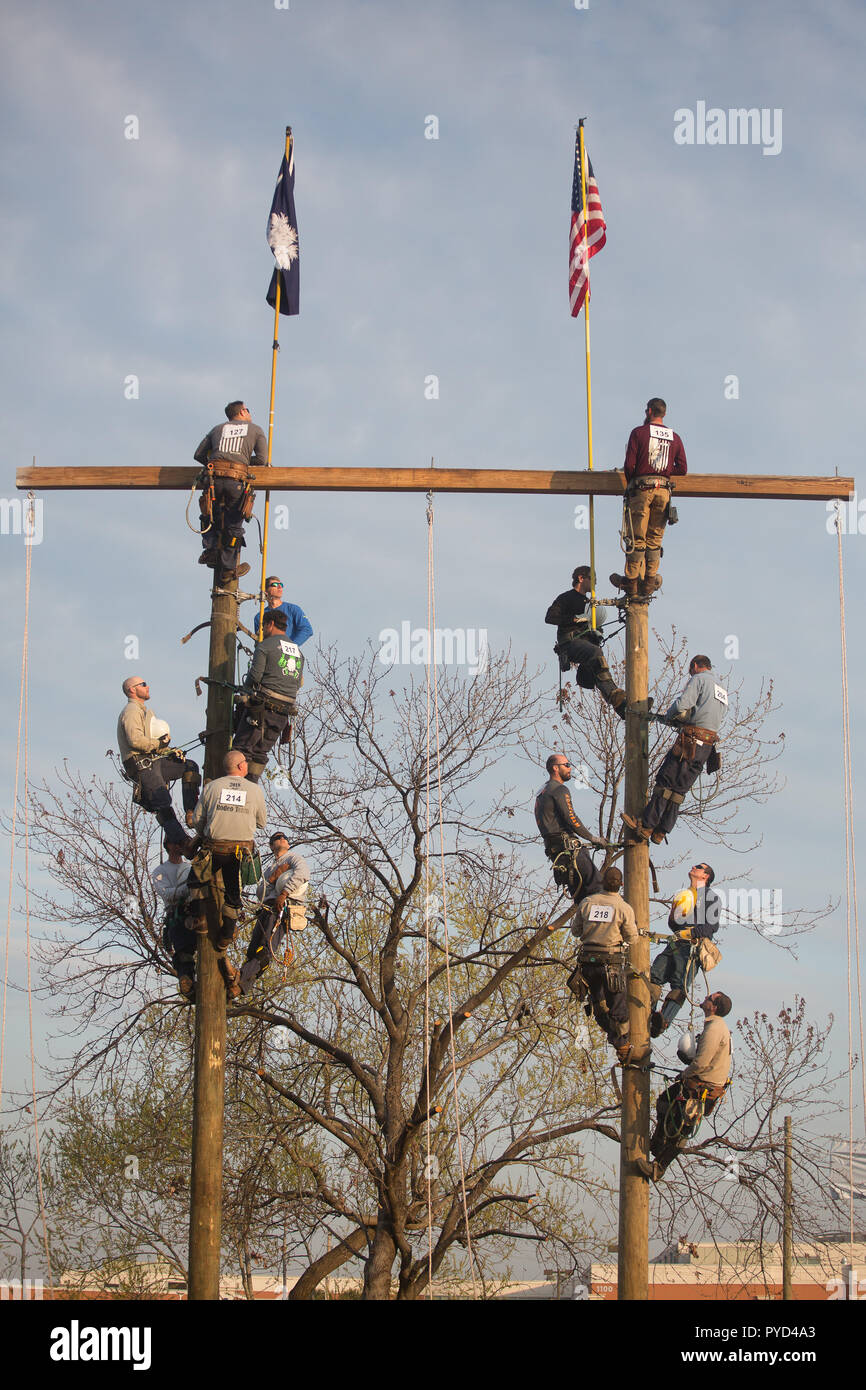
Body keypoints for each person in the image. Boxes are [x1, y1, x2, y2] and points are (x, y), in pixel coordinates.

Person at [622, 655, 727, 844]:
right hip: (707, 747)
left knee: (666, 782)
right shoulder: (721, 688)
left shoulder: (699, 679)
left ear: (695, 666)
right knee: (679, 790)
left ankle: (646, 826)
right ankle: (661, 832)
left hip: (690, 742)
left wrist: (671, 717)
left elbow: (681, 705)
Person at [187, 750, 267, 995]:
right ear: (241, 766)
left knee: (196, 881)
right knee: (233, 892)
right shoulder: (254, 790)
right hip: (240, 852)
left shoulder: (213, 788)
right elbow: (262, 823)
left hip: (215, 848)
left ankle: (200, 920)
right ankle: (227, 934)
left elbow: (197, 821)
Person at [638, 992, 733, 1180]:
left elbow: (701, 1063)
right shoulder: (715, 1027)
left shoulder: (715, 1028)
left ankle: (658, 1167)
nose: (706, 998)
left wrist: (685, 1073)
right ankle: (656, 1144)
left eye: (710, 998)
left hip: (702, 1087)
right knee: (665, 1103)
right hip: (701, 1083)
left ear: (713, 1007)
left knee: (682, 1128)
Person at [610, 398, 687, 598]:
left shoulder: (639, 433)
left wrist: (632, 482)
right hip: (663, 491)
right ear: (664, 414)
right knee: (655, 540)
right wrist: (664, 471)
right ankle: (650, 581)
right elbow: (683, 468)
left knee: (637, 538)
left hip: (642, 489)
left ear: (649, 411)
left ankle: (632, 583)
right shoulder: (675, 438)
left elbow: (629, 465)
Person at [117, 677, 200, 852]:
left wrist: (168, 751)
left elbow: (150, 743)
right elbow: (135, 741)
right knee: (162, 802)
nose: (148, 687)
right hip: (140, 763)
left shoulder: (145, 711)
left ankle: (191, 812)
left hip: (152, 759)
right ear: (132, 689)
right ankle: (183, 843)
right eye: (143, 684)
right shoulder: (131, 711)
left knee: (189, 766)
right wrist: (160, 745)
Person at [569, 866, 638, 1062]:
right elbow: (632, 938)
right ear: (621, 885)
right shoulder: (624, 908)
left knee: (598, 1003)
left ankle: (617, 1039)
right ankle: (622, 1044)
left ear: (602, 882)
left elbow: (576, 931)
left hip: (589, 963)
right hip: (612, 963)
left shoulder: (587, 903)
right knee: (618, 1008)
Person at [194, 401, 267, 581]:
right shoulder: (255, 430)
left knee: (210, 516)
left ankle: (210, 551)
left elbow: (199, 455)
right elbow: (262, 459)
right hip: (236, 482)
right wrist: (240, 462)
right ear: (242, 412)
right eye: (248, 410)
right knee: (234, 525)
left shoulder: (217, 429)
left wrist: (218, 462)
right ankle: (227, 570)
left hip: (214, 480)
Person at [649, 863, 721, 1036]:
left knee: (679, 984)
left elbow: (711, 927)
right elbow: (673, 924)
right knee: (653, 976)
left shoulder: (710, 897)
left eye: (698, 867)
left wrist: (691, 932)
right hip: (675, 943)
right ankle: (648, 1016)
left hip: (691, 947)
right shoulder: (685, 894)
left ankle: (662, 1022)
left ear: (706, 876)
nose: (693, 867)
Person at [545, 566, 626, 719]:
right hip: (570, 643)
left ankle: (622, 707)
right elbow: (550, 617)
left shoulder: (590, 603)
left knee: (598, 666)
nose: (594, 584)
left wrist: (596, 631)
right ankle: (615, 696)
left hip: (585, 644)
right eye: (592, 580)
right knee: (595, 653)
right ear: (581, 578)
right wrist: (574, 619)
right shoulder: (566, 598)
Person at [233, 610, 304, 782]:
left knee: (241, 749)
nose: (262, 630)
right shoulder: (298, 653)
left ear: (270, 624)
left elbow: (255, 676)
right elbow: (298, 683)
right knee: (260, 752)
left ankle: (237, 786)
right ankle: (251, 786)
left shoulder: (265, 646)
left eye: (263, 626)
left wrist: (243, 692)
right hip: (283, 714)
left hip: (262, 708)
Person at [239, 831, 310, 994]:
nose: (282, 839)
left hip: (282, 908)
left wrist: (284, 893)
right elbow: (260, 891)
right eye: (278, 838)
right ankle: (242, 985)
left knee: (266, 948)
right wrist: (274, 877)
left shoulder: (293, 858)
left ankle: (242, 977)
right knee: (253, 949)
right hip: (267, 908)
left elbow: (302, 873)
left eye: (284, 837)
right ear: (271, 845)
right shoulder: (270, 868)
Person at [534, 754, 606, 905]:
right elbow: (571, 819)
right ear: (555, 768)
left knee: (581, 898)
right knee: (598, 888)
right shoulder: (559, 789)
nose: (570, 768)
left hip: (556, 853)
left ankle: (584, 926)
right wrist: (593, 839)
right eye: (566, 765)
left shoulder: (543, 792)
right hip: (569, 848)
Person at [152, 840, 197, 1002]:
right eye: (175, 842)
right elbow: (168, 894)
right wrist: (187, 888)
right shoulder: (160, 871)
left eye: (180, 842)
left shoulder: (190, 868)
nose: (179, 845)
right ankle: (188, 982)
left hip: (195, 911)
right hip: (177, 916)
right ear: (168, 845)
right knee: (183, 954)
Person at [252, 576, 313, 644]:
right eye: (275, 585)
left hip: (289, 652)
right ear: (265, 591)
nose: (279, 587)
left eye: (281, 585)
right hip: (271, 653)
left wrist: (291, 646)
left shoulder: (293, 609)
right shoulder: (259, 617)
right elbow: (260, 641)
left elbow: (307, 630)